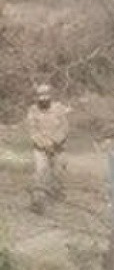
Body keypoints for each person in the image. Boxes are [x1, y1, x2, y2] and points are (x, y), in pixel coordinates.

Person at [24, 84, 71, 213]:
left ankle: (56, 194)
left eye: (46, 96)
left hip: (58, 147)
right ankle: (38, 200)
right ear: (37, 97)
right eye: (41, 97)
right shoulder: (33, 110)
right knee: (40, 171)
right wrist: (44, 144)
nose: (43, 99)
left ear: (50, 96)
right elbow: (32, 131)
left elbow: (65, 128)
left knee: (58, 171)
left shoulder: (59, 108)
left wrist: (54, 141)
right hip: (40, 148)